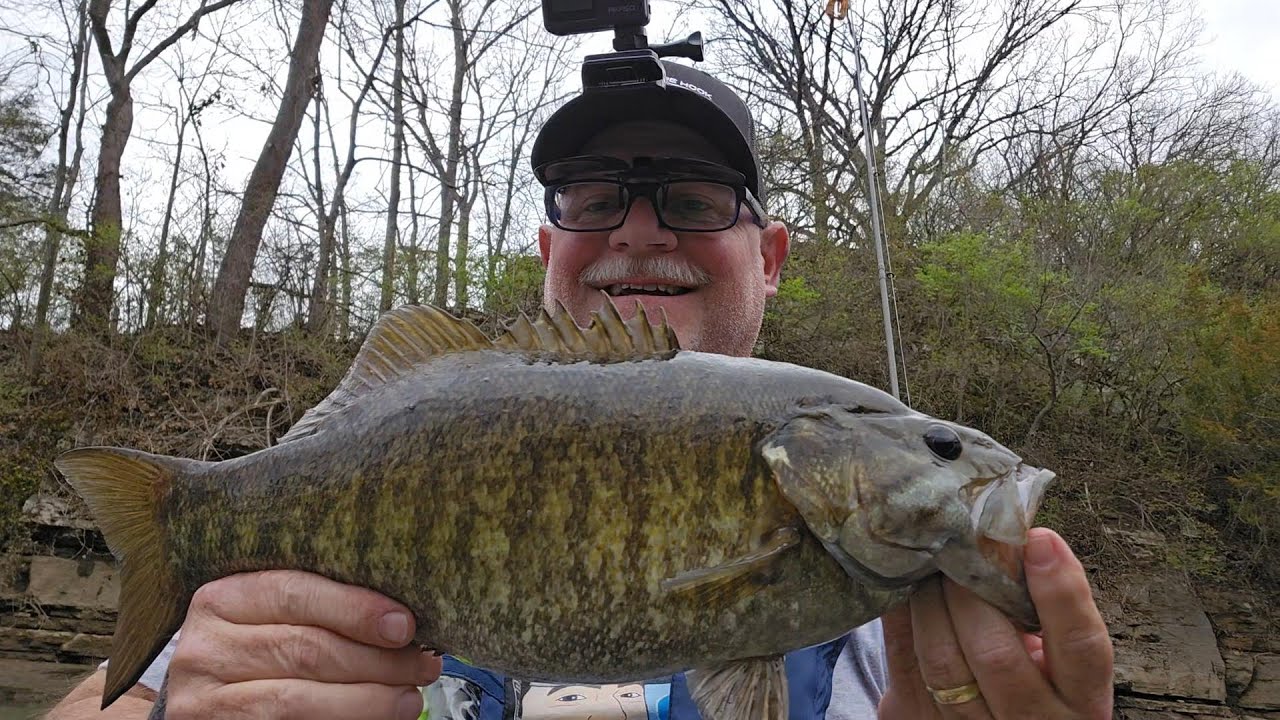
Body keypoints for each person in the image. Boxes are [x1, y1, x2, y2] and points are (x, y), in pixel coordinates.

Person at [45, 60, 1114, 720]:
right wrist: (172, 714)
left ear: (772, 255)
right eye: (598, 197)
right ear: (547, 241)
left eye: (693, 200)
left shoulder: (915, 640)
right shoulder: (301, 516)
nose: (640, 232)